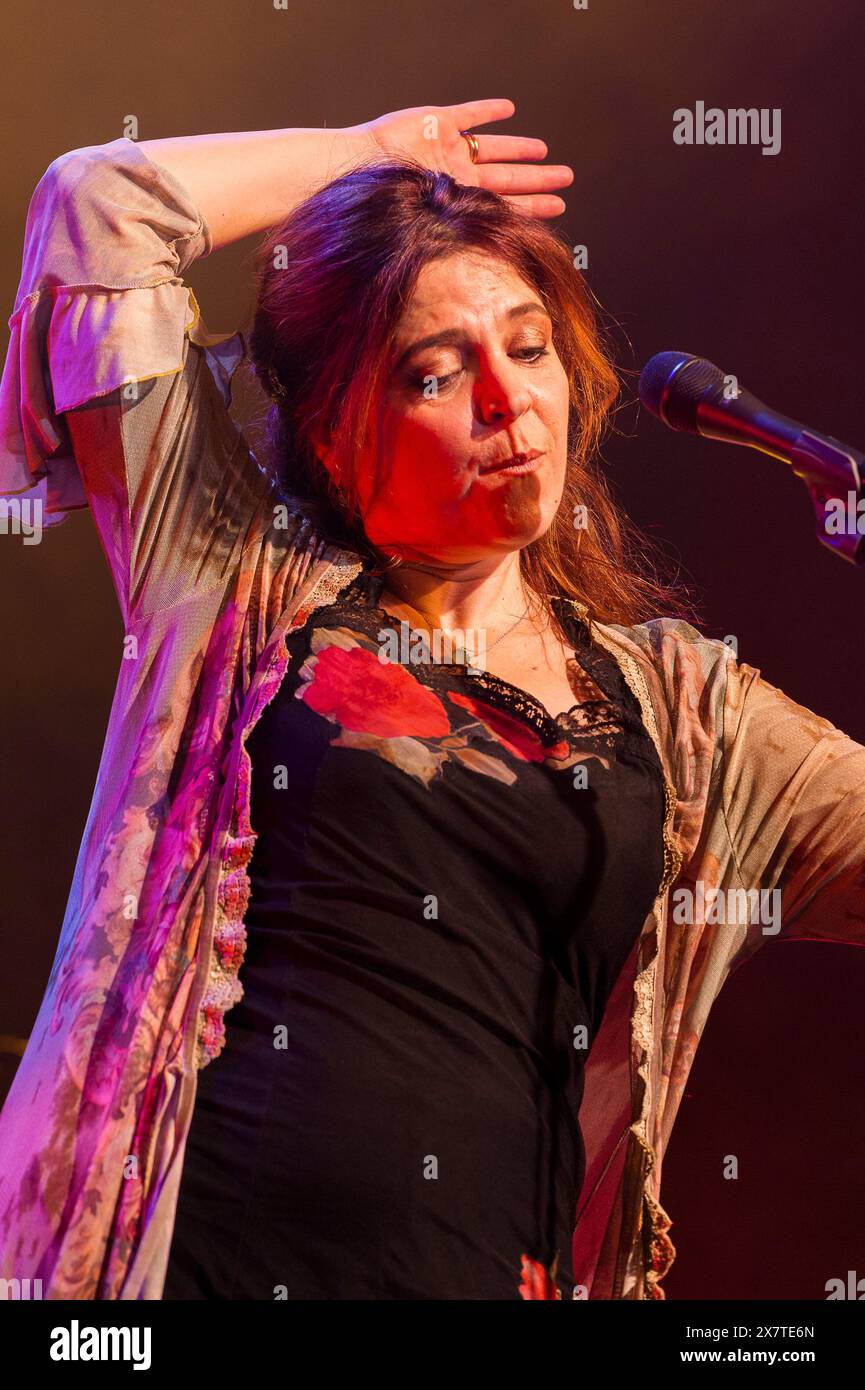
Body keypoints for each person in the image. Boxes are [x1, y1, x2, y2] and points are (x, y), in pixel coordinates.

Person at [0, 100, 863, 1301]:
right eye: (436, 372)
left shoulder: (684, 715)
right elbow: (100, 208)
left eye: (528, 347)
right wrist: (366, 160)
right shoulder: (229, 581)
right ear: (334, 435)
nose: (509, 402)